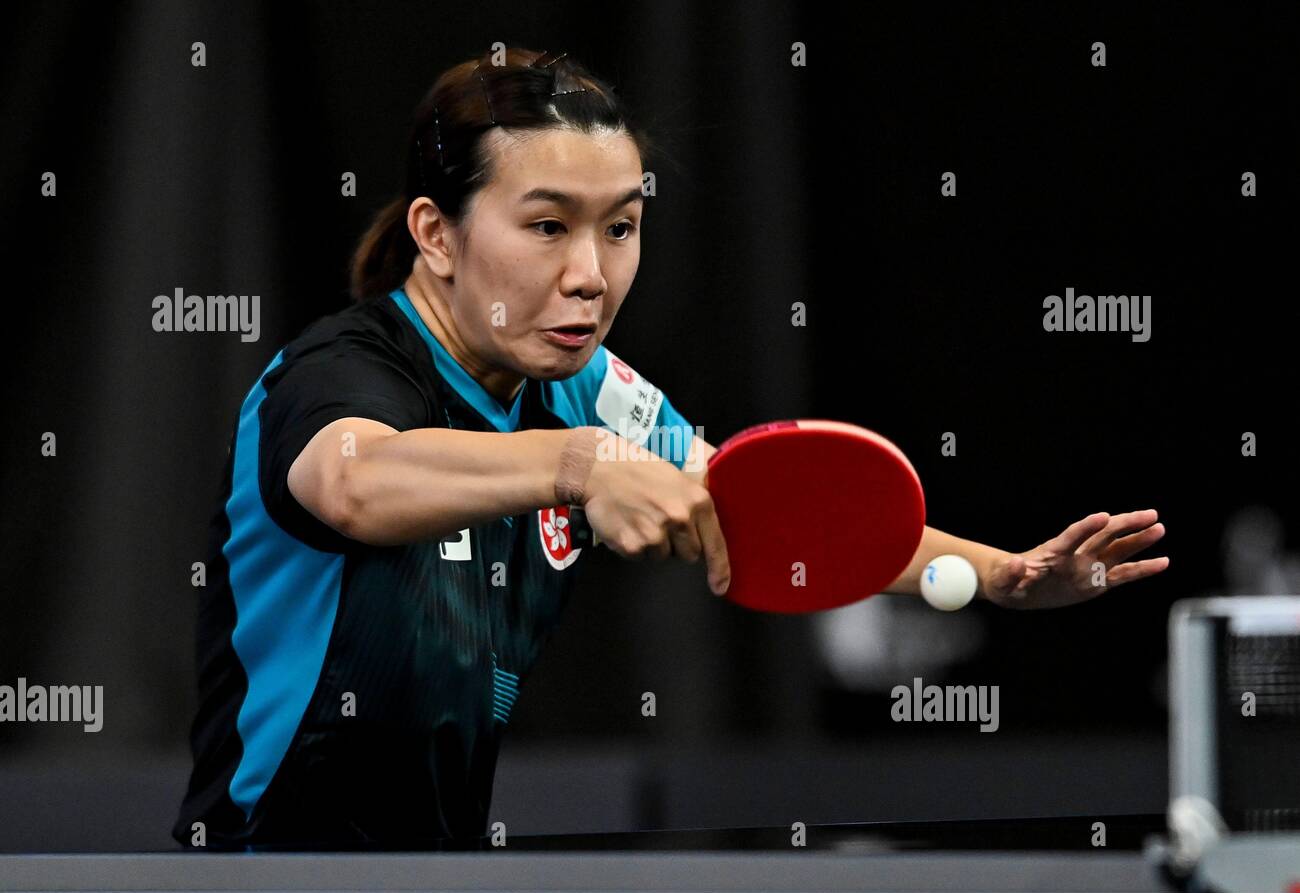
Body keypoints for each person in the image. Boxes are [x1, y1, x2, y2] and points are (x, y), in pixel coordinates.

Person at [173, 46, 1169, 851]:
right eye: (548, 225)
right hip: (264, 875)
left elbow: (772, 509)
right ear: (436, 233)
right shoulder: (336, 372)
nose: (590, 275)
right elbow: (355, 481)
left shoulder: (585, 391)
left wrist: (1001, 575)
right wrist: (581, 466)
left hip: (438, 876)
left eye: (621, 227)